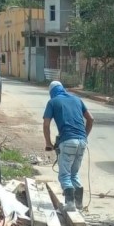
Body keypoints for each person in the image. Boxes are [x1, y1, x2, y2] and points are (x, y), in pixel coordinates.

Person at [43, 80, 94, 211]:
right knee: (74, 173)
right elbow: (91, 119)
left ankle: (70, 204)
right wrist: (84, 136)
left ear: (51, 92)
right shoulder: (77, 99)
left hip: (67, 141)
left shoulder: (52, 102)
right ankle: (78, 203)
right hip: (82, 142)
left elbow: (46, 124)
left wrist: (48, 143)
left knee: (64, 175)